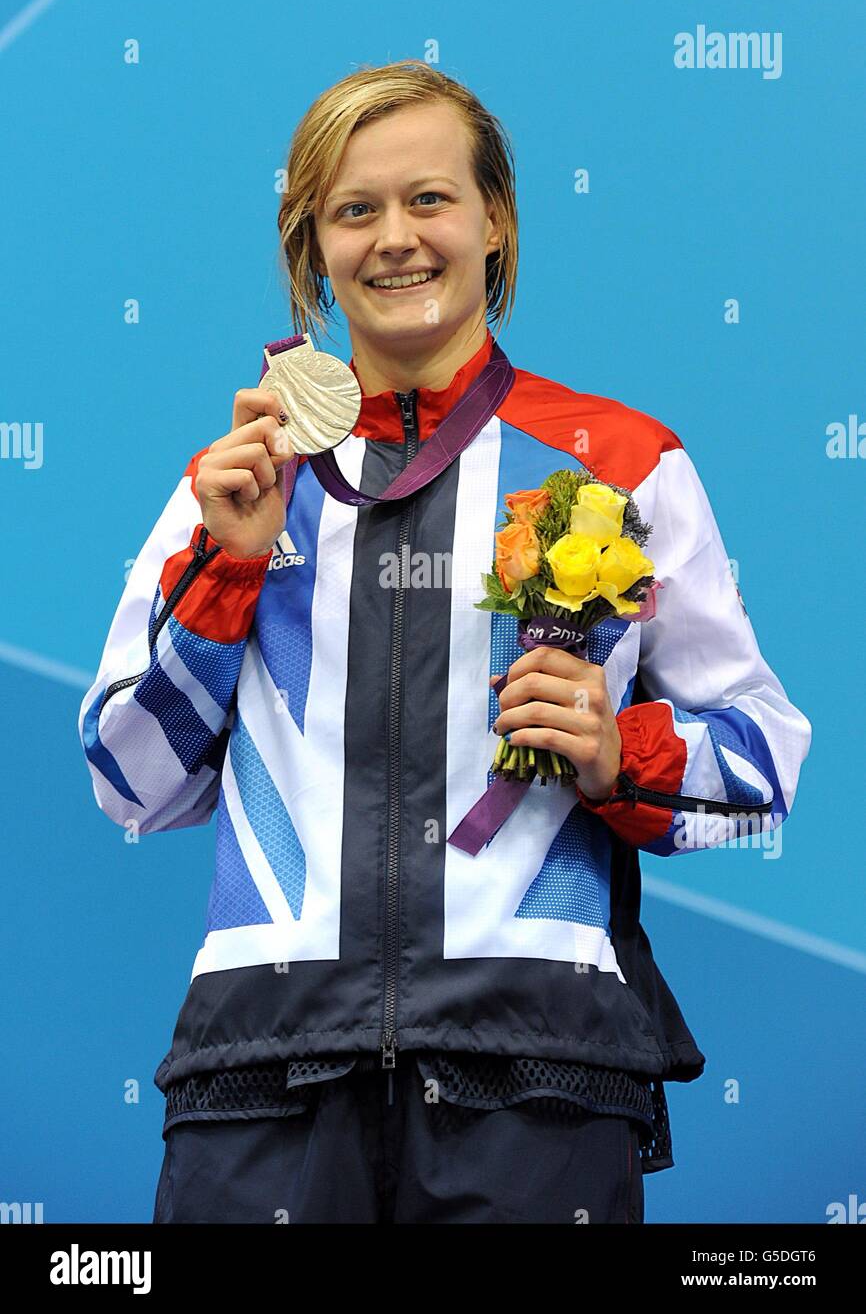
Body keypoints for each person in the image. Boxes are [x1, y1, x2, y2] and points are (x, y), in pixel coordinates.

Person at [78, 60, 811, 1224]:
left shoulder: (620, 461)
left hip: (533, 1069)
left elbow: (764, 767)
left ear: (495, 222)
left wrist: (619, 754)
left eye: (429, 199)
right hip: (261, 1069)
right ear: (312, 246)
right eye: (354, 210)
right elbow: (131, 781)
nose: (395, 239)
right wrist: (227, 565)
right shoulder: (236, 483)